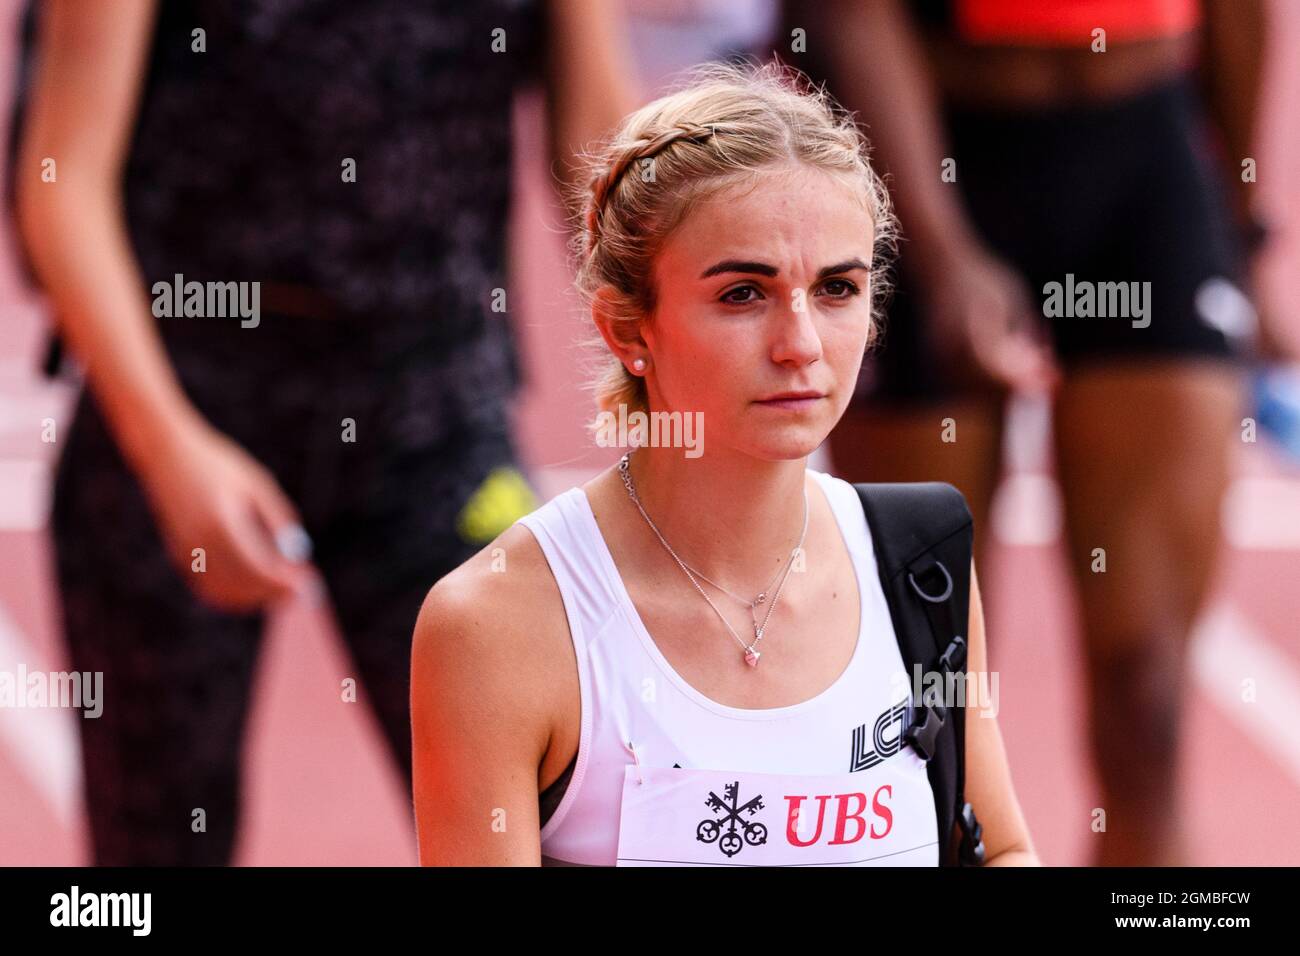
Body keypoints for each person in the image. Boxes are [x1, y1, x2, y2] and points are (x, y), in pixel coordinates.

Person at [13, 0, 632, 865]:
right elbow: (61, 185)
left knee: (541, 818)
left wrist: (679, 382)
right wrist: (167, 449)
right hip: (180, 396)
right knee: (152, 851)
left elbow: (602, 161)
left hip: (437, 414)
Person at [411, 61, 1039, 867]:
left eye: (838, 288)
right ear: (629, 329)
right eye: (743, 293)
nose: (802, 345)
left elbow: (1001, 847)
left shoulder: (923, 566)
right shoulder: (500, 627)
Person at [784, 0, 1271, 865]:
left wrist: (1246, 235)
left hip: (1143, 159)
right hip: (925, 145)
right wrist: (943, 255)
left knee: (1147, 697)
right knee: (926, 704)